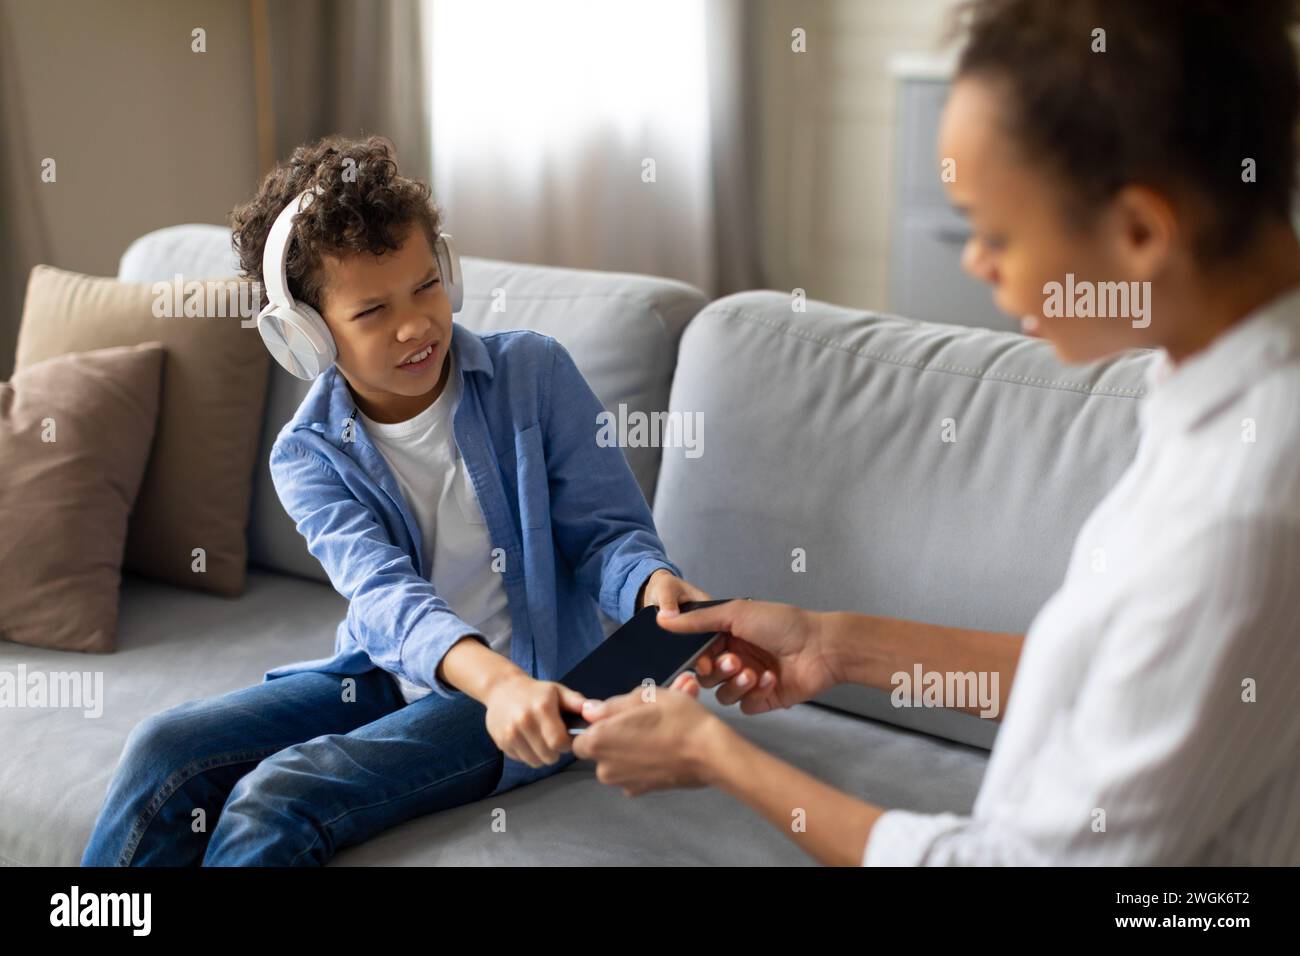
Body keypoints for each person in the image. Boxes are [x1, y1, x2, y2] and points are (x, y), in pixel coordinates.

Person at [573, 0, 1300, 865]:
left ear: (1140, 231)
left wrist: (713, 756)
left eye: (994, 231)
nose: (974, 261)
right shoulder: (1207, 389)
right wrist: (832, 643)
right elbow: (1118, 681)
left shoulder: (1245, 508)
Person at [81, 134, 708, 866]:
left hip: (524, 697)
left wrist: (651, 588)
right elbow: (385, 598)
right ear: (307, 337)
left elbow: (608, 537)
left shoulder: (531, 374)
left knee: (275, 797)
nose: (415, 325)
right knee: (164, 749)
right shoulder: (309, 454)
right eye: (372, 311)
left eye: (425, 287)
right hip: (390, 675)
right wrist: (491, 679)